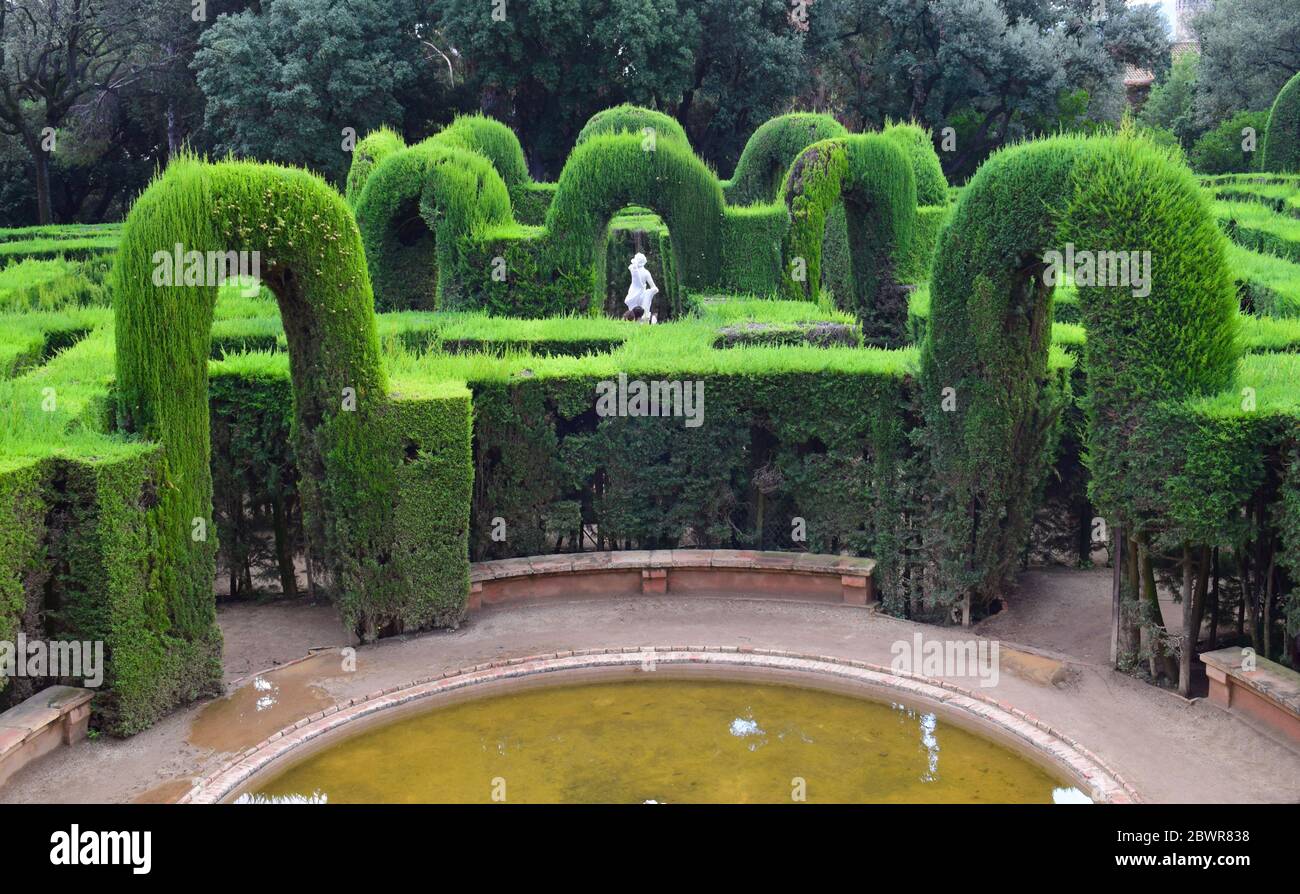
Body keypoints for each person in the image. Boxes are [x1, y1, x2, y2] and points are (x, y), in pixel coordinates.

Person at [623, 253, 659, 323]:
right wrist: (653, 291)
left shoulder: (632, 269)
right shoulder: (646, 272)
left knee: (632, 314)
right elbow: (653, 287)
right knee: (643, 313)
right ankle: (644, 323)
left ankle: (635, 323)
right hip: (641, 294)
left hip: (633, 294)